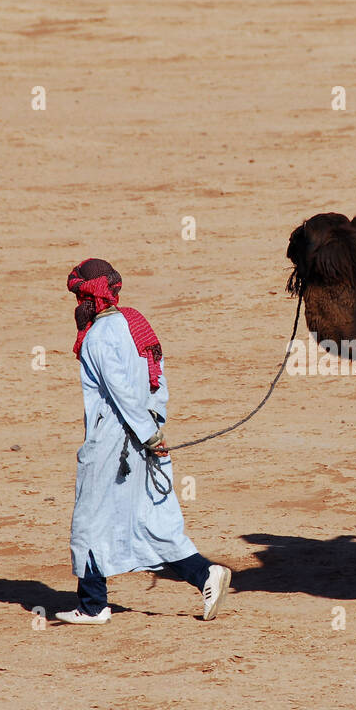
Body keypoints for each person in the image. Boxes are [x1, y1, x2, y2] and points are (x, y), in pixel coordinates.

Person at [55, 258, 231, 624]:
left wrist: (148, 433)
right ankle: (204, 575)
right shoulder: (135, 323)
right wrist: (154, 425)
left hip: (113, 442)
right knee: (151, 519)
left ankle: (92, 605)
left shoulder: (98, 338)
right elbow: (157, 375)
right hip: (145, 434)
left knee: (89, 519)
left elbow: (119, 392)